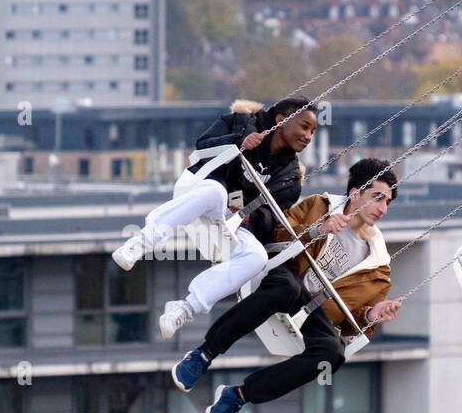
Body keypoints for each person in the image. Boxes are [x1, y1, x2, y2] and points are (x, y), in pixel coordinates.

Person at [167, 158, 407, 413]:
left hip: (314, 312)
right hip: (288, 275)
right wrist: (318, 230)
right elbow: (278, 233)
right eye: (377, 198)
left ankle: (237, 396)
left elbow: (352, 323)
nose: (382, 208)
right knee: (287, 288)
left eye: (387, 201)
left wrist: (371, 314)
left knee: (332, 352)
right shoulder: (320, 205)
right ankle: (203, 354)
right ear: (355, 193)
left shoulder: (378, 265)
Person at [109, 97, 318, 339]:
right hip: (206, 185)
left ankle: (186, 307)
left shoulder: (291, 176)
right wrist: (239, 143)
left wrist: (249, 217)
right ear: (281, 120)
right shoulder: (241, 123)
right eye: (304, 127)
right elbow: (202, 145)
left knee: (257, 257)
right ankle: (141, 242)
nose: (308, 136)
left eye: (313, 131)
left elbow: (272, 218)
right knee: (214, 192)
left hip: (236, 220)